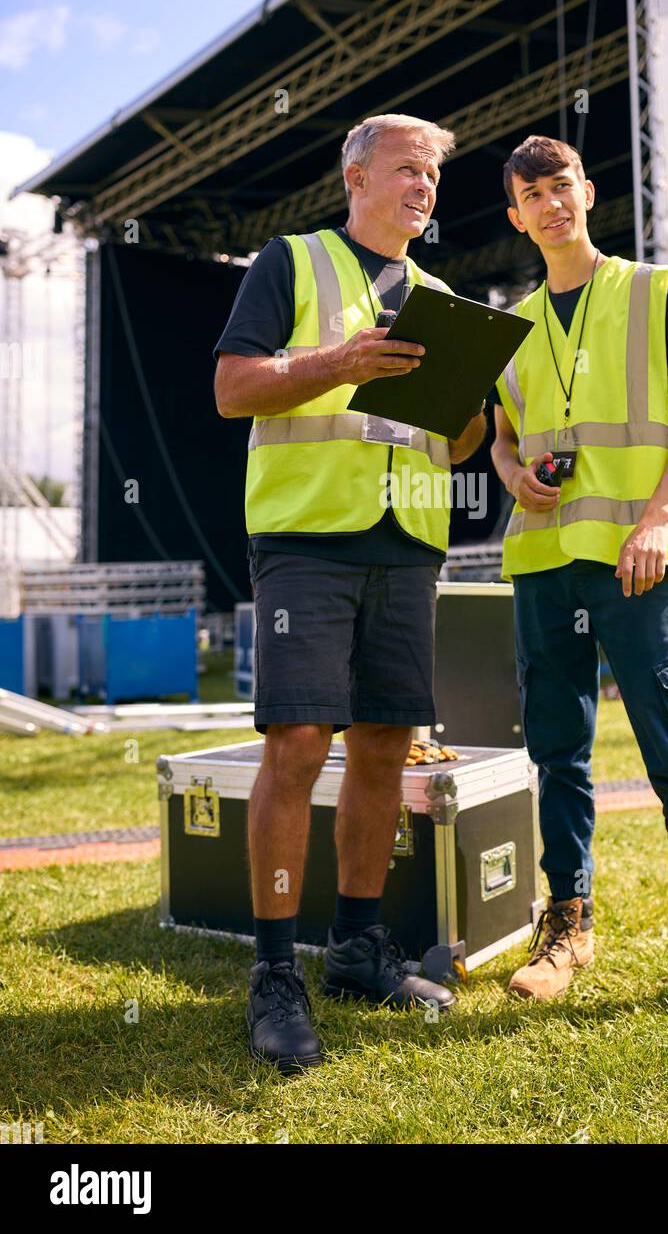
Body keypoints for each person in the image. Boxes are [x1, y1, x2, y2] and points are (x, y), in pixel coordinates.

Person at [214, 113, 488, 1075]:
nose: (425, 188)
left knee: (382, 746)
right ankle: (277, 973)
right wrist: (337, 363)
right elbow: (234, 390)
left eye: (435, 178)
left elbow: (456, 446)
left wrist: (469, 413)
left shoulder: (443, 295)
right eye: (409, 170)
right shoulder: (289, 263)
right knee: (296, 745)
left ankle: (360, 951)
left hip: (408, 544)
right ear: (356, 176)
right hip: (305, 542)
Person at [488, 135, 668, 1031]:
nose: (550, 204)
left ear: (587, 193)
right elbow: (503, 436)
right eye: (532, 195)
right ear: (516, 216)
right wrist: (513, 469)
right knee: (557, 753)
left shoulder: (650, 289)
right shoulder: (510, 324)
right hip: (543, 556)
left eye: (561, 187)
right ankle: (567, 925)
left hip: (637, 555)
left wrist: (655, 518)